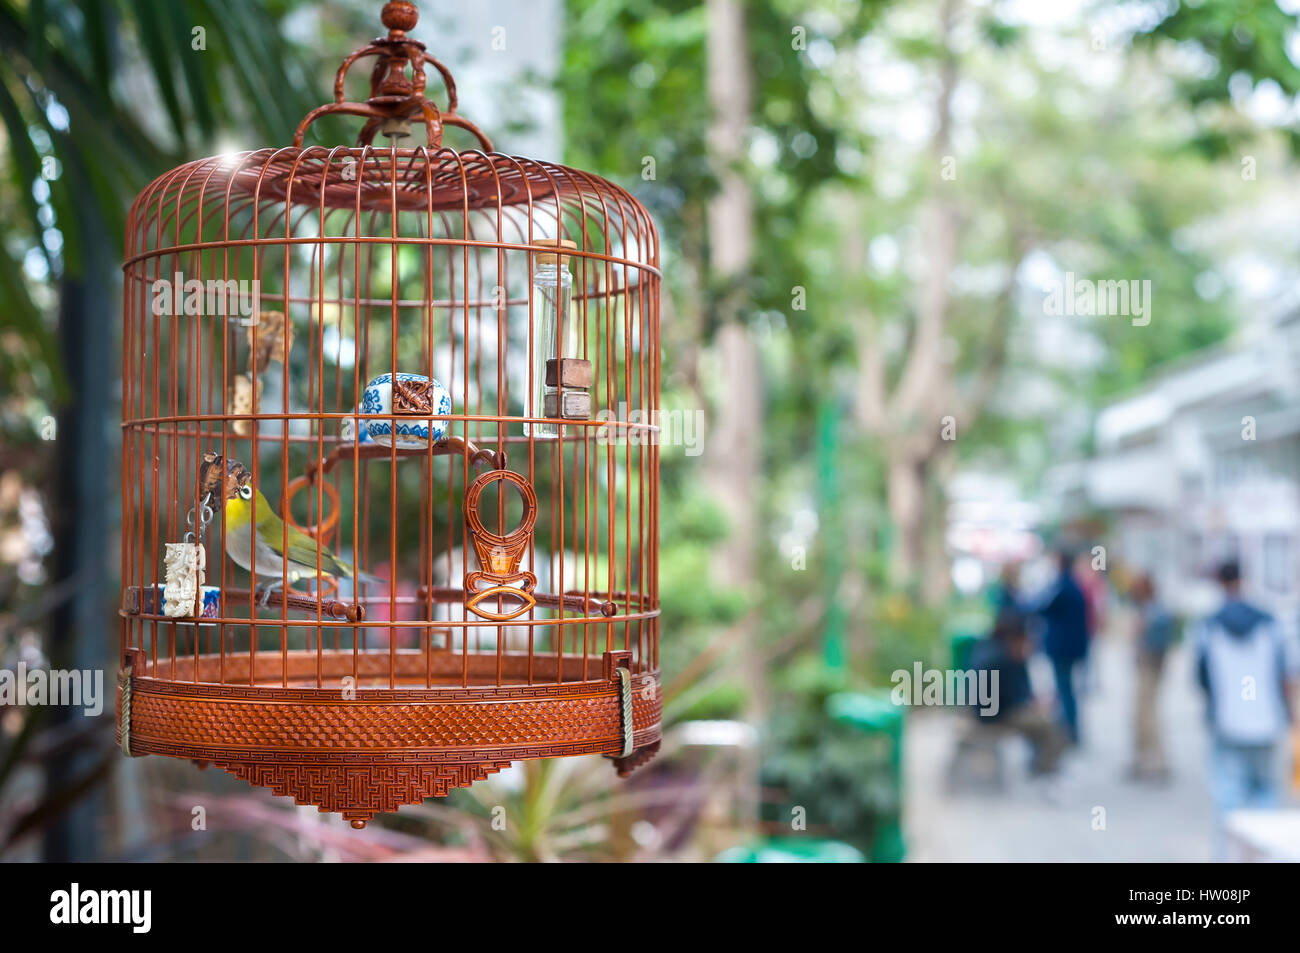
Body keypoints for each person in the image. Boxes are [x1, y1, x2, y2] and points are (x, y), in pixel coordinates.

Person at [1196, 560, 1295, 857]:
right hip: (1267, 721)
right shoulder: (1269, 622)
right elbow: (1284, 674)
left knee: (1228, 797)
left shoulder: (1209, 626)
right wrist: (1290, 717)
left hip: (1228, 722)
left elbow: (1202, 678)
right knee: (1265, 793)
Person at [969, 609, 1067, 775]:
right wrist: (1032, 704)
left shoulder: (987, 647)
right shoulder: (1004, 657)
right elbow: (1010, 697)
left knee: (1042, 720)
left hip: (984, 711)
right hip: (995, 716)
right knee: (1051, 726)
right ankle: (1044, 768)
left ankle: (1039, 762)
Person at [1035, 547, 1089, 744]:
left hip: (1063, 649)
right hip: (1069, 648)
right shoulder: (1072, 585)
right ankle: (1069, 731)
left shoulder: (1063, 587)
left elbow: (1042, 607)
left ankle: (1069, 732)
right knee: (1066, 690)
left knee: (1064, 690)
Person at [1127, 573, 1174, 782]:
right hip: (1145, 669)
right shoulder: (1149, 610)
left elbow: (1156, 644)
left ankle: (1156, 762)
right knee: (1140, 717)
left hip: (1150, 669)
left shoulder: (1155, 612)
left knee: (1149, 717)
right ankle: (1143, 759)